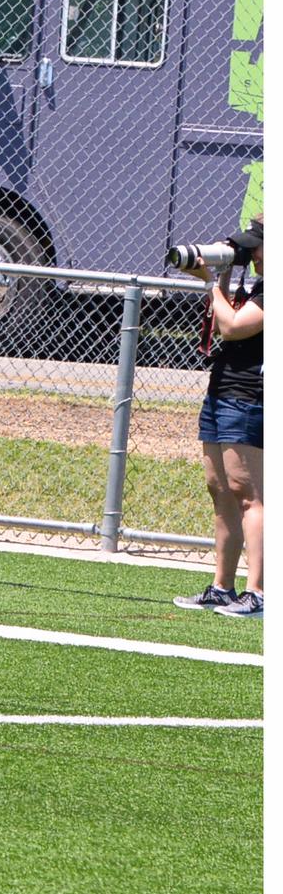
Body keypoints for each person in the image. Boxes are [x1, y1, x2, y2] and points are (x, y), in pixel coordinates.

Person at [175, 217, 263, 618]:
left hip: (252, 398)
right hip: (222, 390)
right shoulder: (257, 284)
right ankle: (222, 587)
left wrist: (211, 282)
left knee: (250, 495)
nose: (250, 254)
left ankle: (258, 592)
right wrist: (216, 274)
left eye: (255, 247)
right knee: (219, 488)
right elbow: (220, 312)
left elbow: (231, 325)